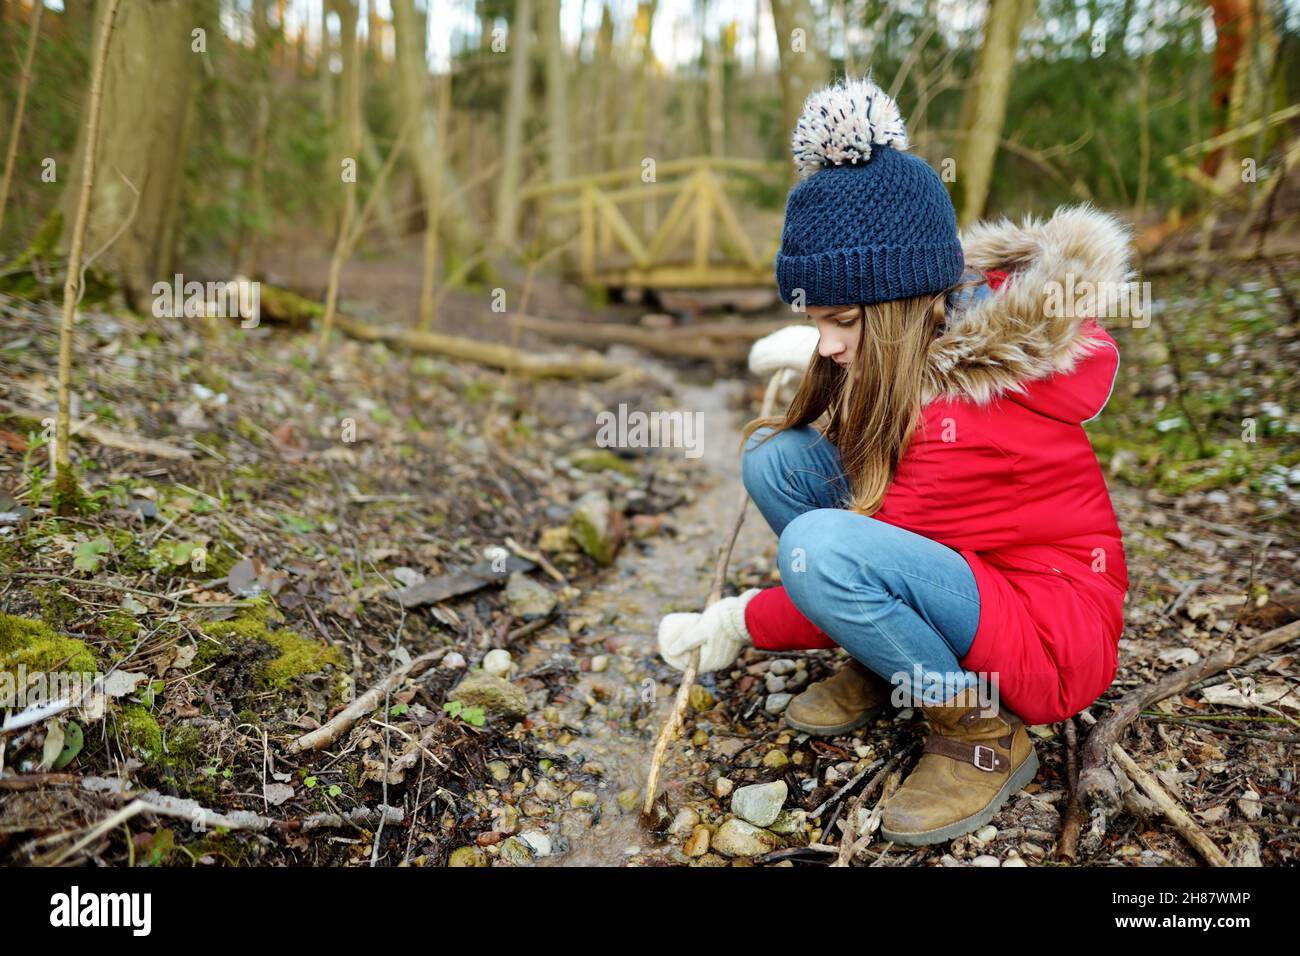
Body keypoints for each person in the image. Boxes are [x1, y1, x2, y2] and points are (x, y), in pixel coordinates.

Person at [656, 73, 1133, 847]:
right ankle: (889, 658)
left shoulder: (963, 416)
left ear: (899, 305)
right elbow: (880, 532)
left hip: (1049, 634)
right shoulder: (931, 352)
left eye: (840, 322)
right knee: (777, 461)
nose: (829, 345)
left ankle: (978, 730)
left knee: (821, 549)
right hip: (975, 576)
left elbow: (839, 559)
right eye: (815, 324)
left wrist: (737, 621)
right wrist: (823, 347)